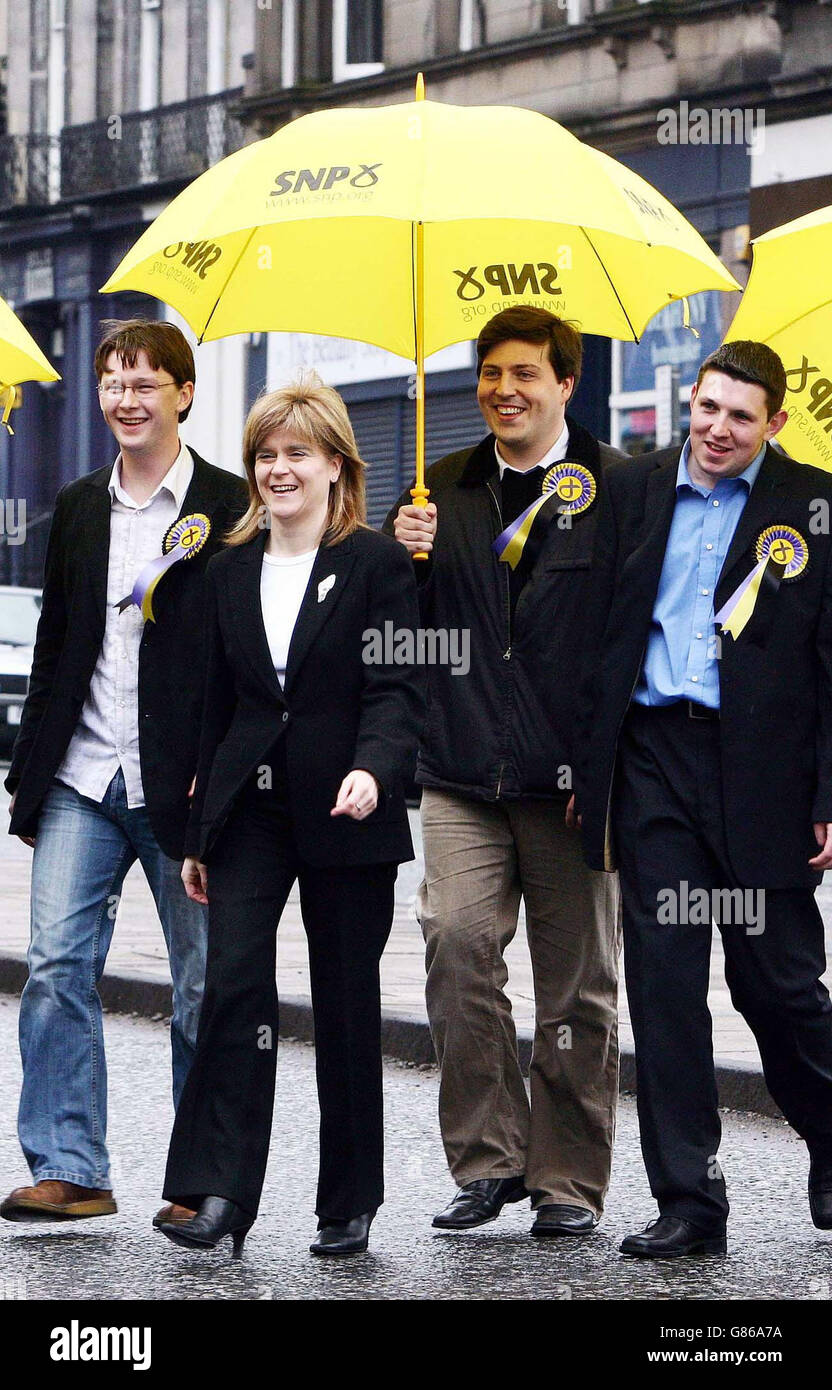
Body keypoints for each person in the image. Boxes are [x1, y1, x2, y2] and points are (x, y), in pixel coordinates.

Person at [157, 374, 423, 1258]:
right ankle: (222, 1194)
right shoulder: (227, 570)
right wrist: (198, 835)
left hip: (347, 808)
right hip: (249, 815)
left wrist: (374, 769)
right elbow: (215, 709)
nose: (279, 469)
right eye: (265, 455)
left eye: (296, 454)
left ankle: (347, 1201)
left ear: (337, 466)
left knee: (346, 1004)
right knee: (233, 989)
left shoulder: (379, 565)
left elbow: (397, 687)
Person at [577, 340, 832, 1258]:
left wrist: (829, 791)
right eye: (708, 407)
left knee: (783, 989)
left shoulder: (812, 505)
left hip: (763, 775)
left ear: (775, 424)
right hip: (654, 765)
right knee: (667, 990)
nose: (718, 430)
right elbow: (589, 621)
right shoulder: (635, 487)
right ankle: (691, 1200)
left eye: (740, 416)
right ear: (690, 400)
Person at [1, 319, 247, 1226]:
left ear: (183, 394)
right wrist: (28, 783)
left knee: (201, 983)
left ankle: (202, 1179)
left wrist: (220, 777)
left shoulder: (229, 504)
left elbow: (245, 658)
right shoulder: (76, 505)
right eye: (111, 383)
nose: (125, 400)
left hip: (184, 787)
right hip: (82, 777)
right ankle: (72, 1166)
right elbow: (60, 645)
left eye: (144, 384)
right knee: (58, 967)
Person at [386, 306, 622, 1237]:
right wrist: (403, 563)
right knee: (454, 946)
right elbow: (401, 642)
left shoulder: (620, 488)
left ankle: (566, 1180)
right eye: (489, 373)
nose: (503, 390)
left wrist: (604, 768)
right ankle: (488, 1160)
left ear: (567, 383)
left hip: (571, 786)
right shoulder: (438, 490)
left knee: (578, 990)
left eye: (525, 373)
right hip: (460, 772)